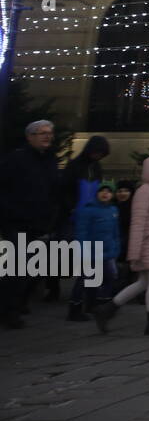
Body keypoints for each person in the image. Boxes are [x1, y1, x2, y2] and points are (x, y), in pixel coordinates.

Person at [94, 155, 149, 336]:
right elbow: (138, 223)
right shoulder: (145, 191)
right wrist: (134, 251)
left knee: (144, 282)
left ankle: (107, 310)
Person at [0, 121, 61, 329]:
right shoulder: (17, 159)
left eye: (50, 133)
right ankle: (9, 311)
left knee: (30, 270)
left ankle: (16, 306)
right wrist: (10, 213)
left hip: (40, 223)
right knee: (16, 269)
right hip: (16, 222)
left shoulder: (50, 160)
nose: (47, 137)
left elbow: (53, 191)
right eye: (42, 133)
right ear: (30, 137)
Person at [50, 135, 110, 302]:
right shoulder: (75, 166)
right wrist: (71, 207)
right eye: (97, 153)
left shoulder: (96, 168)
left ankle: (83, 292)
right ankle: (53, 285)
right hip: (71, 214)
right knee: (62, 249)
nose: (98, 156)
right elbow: (64, 190)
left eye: (101, 154)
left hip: (88, 215)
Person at [68, 183, 120, 322]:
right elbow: (81, 232)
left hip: (106, 251)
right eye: (102, 191)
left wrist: (115, 248)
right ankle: (75, 309)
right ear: (96, 193)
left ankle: (95, 306)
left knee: (107, 278)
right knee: (84, 280)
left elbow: (115, 232)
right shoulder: (88, 210)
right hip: (90, 250)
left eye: (109, 191)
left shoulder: (113, 210)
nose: (105, 193)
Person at [112, 181, 134, 292]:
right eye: (120, 191)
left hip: (128, 243)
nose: (122, 193)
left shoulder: (134, 208)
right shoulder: (112, 207)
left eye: (126, 191)